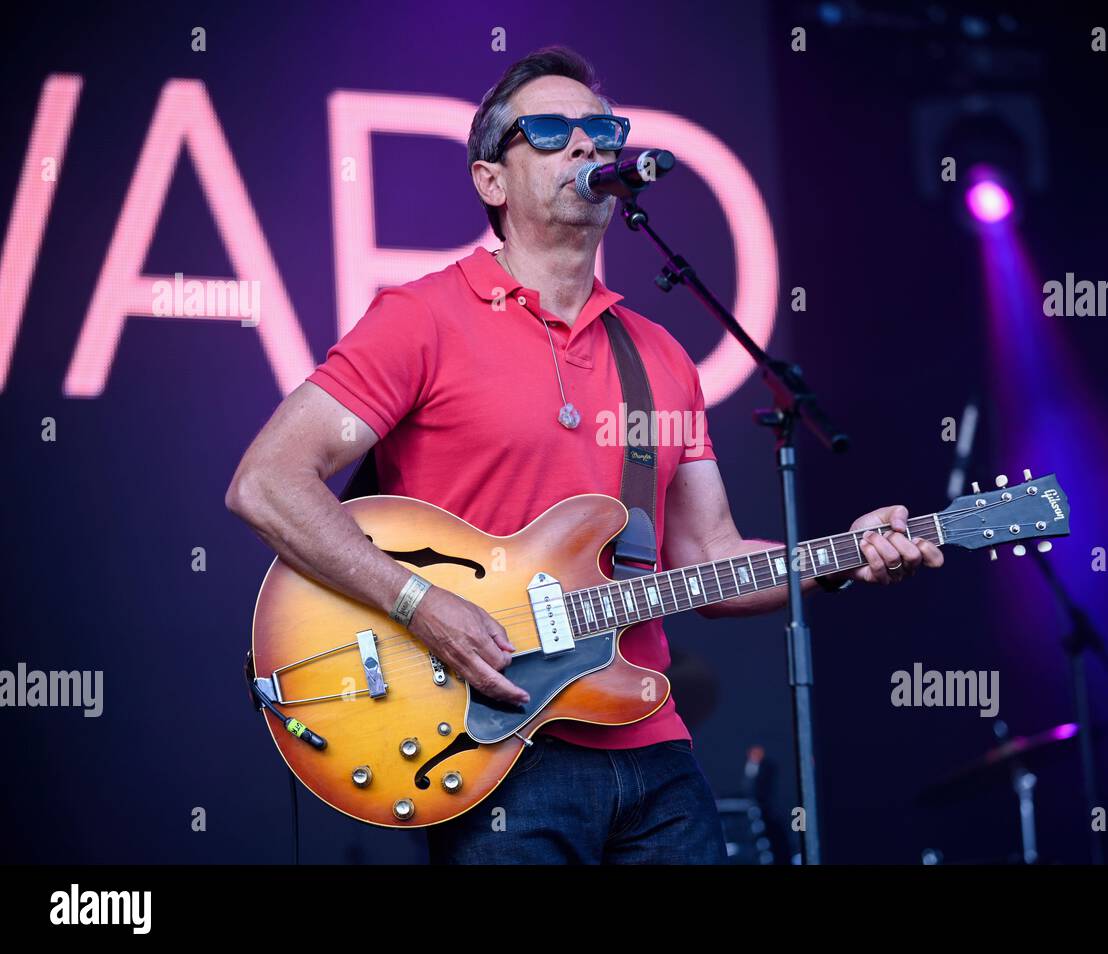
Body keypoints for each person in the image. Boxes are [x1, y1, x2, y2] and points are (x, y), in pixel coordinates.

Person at [225, 46, 943, 864]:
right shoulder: (421, 318)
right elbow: (266, 482)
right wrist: (419, 604)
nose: (586, 145)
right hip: (493, 747)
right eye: (552, 129)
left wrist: (845, 555)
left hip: (650, 743)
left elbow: (709, 556)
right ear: (490, 180)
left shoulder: (661, 356)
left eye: (600, 129)